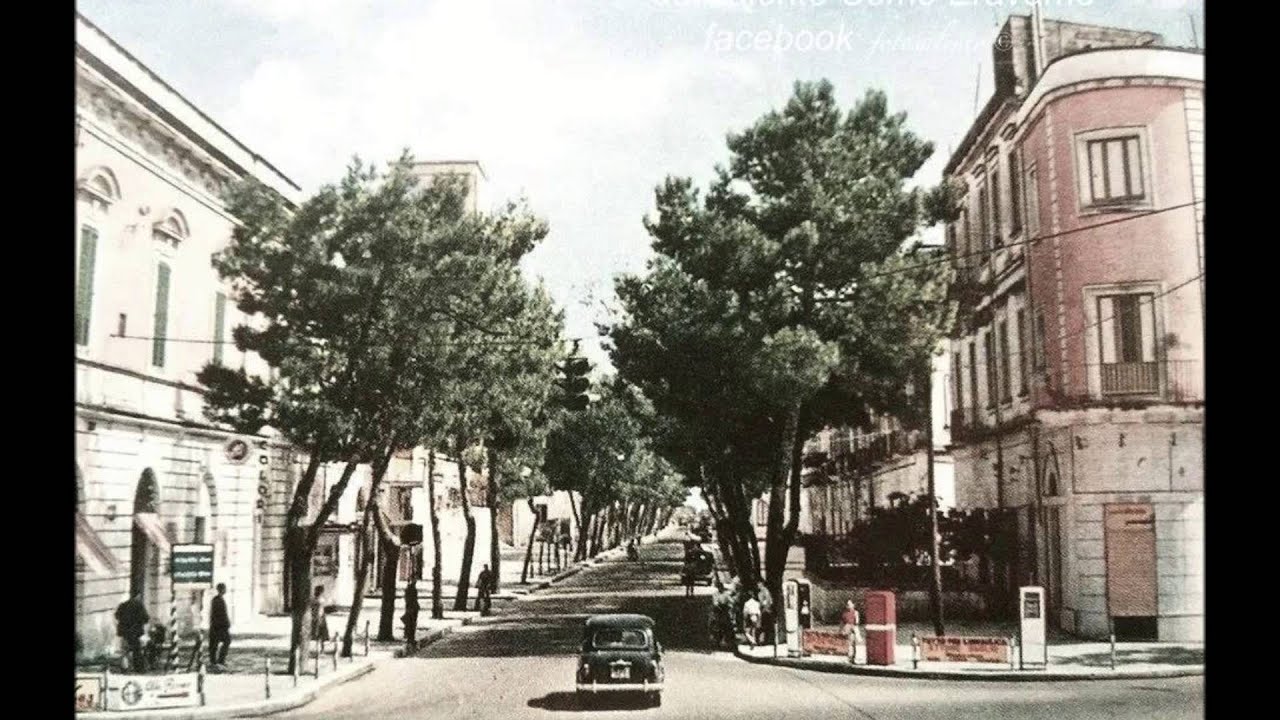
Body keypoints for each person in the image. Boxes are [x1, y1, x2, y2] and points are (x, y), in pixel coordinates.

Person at [115, 593, 149, 672]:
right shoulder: (139, 605)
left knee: (125, 650)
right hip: (135, 632)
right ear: (137, 596)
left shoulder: (123, 605)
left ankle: (124, 667)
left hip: (124, 632)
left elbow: (116, 615)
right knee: (136, 650)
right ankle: (139, 668)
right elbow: (146, 618)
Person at [209, 583, 232, 667]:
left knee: (215, 644)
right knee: (226, 641)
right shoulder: (219, 600)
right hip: (220, 626)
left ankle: (215, 661)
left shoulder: (216, 599)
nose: (225, 590)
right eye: (224, 588)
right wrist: (227, 623)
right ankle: (219, 661)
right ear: (222, 589)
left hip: (217, 626)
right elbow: (221, 614)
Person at [840, 599, 863, 664]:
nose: (848, 606)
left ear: (853, 605)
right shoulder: (844, 613)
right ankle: (849, 657)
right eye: (847, 605)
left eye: (849, 604)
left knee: (852, 644)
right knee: (847, 644)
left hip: (852, 629)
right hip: (846, 628)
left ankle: (852, 658)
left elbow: (857, 622)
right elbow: (842, 622)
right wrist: (841, 630)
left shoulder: (855, 612)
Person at [402, 581, 421, 651]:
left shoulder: (409, 589)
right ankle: (410, 638)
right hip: (412, 608)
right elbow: (411, 599)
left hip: (412, 608)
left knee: (411, 623)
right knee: (411, 623)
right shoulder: (411, 589)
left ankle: (410, 637)